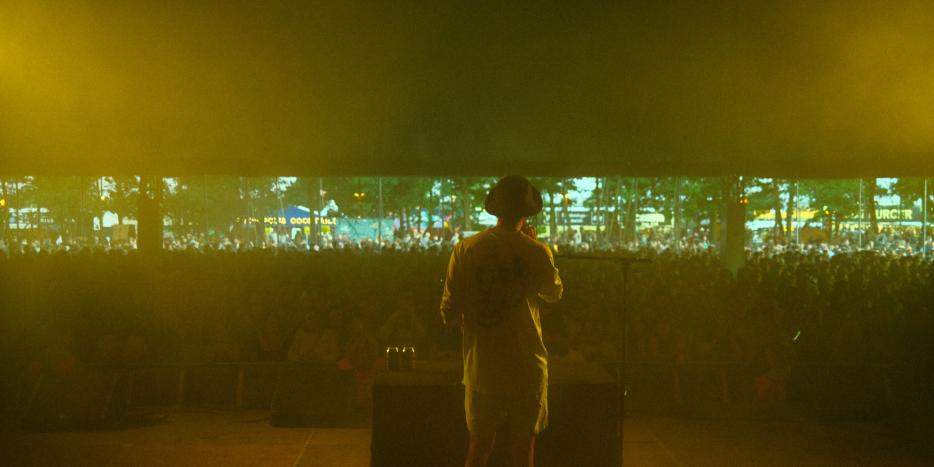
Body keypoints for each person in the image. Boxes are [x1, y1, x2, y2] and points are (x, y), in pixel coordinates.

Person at [441, 175, 563, 467]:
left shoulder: (466, 248)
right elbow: (553, 293)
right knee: (523, 455)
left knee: (478, 451)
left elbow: (447, 309)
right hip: (526, 366)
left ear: (495, 209)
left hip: (482, 366)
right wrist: (531, 249)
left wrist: (467, 320)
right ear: (527, 212)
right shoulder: (535, 250)